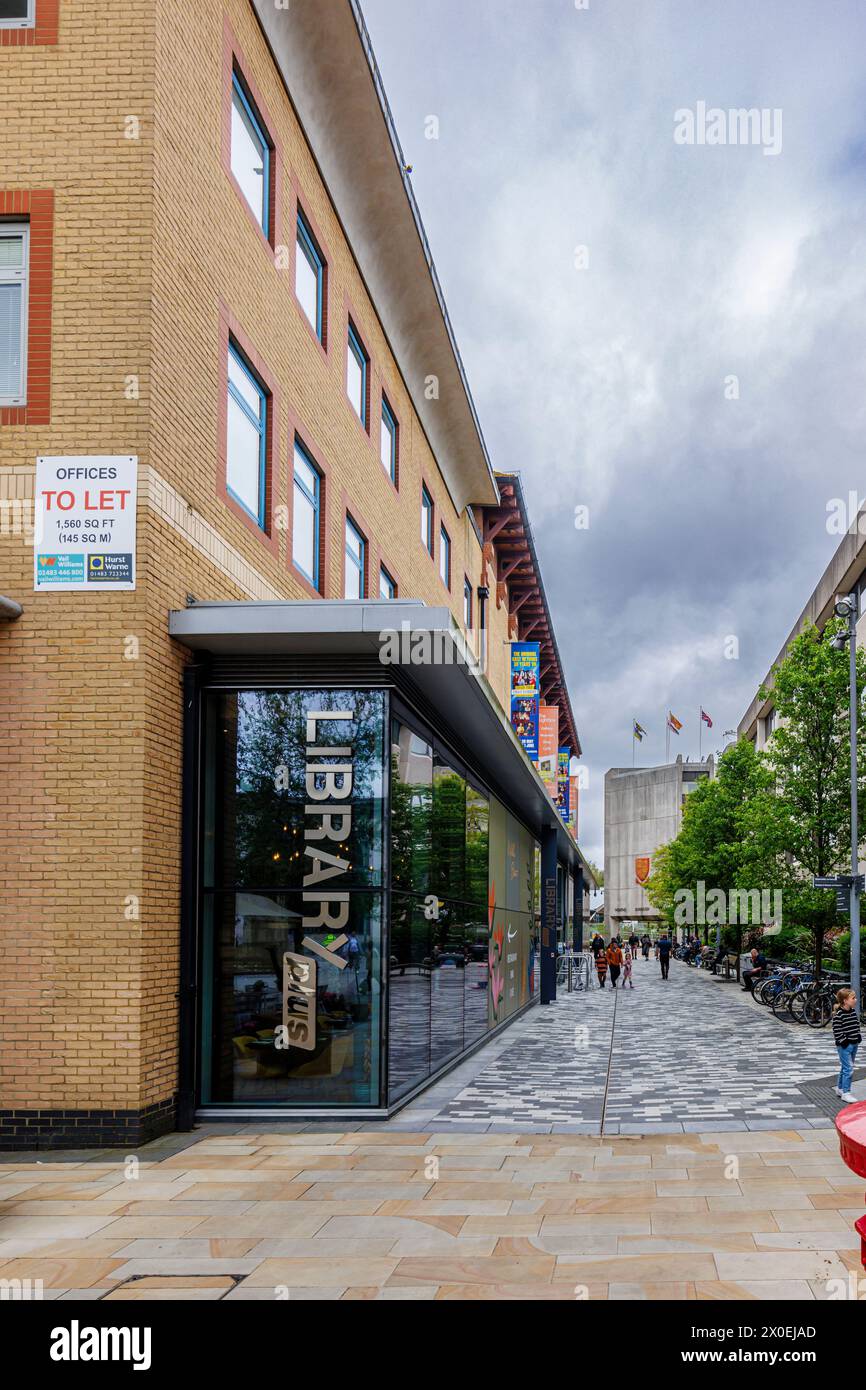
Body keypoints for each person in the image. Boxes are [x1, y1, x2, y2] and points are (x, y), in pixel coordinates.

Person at [832, 987, 861, 1102]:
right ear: (845, 1001)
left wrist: (858, 1036)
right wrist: (845, 1042)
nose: (856, 1000)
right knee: (849, 1069)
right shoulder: (839, 1015)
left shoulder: (853, 1012)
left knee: (845, 1067)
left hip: (854, 1044)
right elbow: (837, 1031)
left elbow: (855, 1025)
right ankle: (846, 1092)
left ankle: (840, 1088)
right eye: (853, 998)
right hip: (845, 1046)